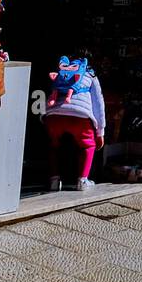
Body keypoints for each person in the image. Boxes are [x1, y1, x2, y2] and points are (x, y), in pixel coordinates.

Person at [43, 50, 105, 191]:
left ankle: (54, 179)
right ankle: (82, 181)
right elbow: (98, 103)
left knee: (53, 145)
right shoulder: (90, 74)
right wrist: (100, 131)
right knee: (88, 146)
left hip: (53, 115)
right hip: (80, 115)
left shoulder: (61, 72)